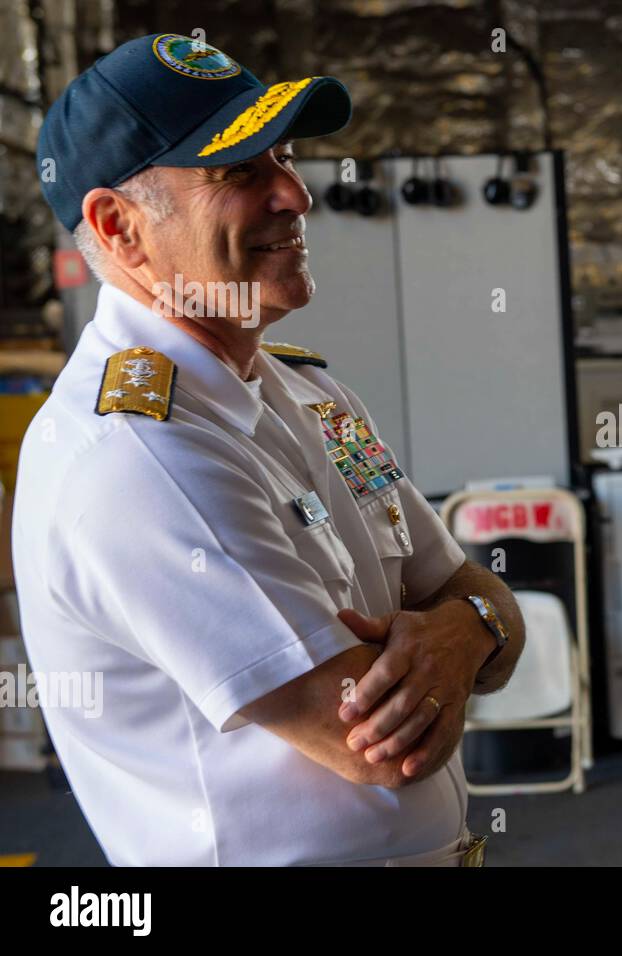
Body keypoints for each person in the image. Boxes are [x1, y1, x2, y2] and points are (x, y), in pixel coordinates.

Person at [13, 33, 524, 866]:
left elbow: (475, 593)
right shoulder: (136, 456)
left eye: (283, 157)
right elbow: (383, 745)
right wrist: (470, 630)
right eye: (239, 171)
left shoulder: (316, 398)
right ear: (121, 227)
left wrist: (464, 627)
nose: (296, 194)